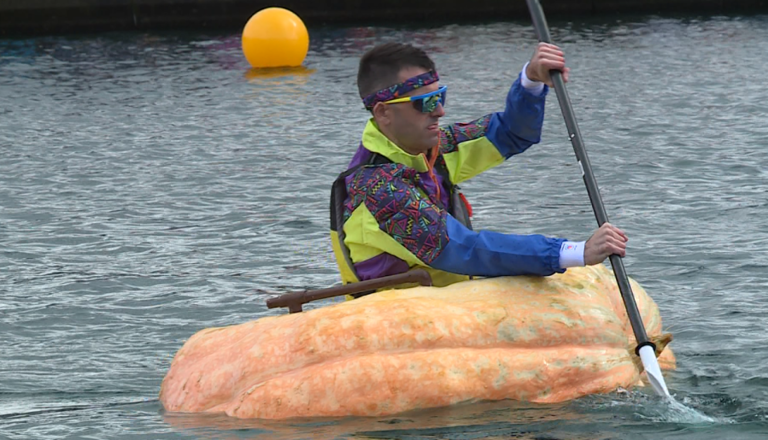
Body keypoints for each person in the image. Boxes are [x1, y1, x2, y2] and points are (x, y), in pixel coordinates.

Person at [329, 42, 628, 288]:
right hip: (397, 324)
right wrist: (575, 251)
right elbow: (462, 248)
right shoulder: (376, 189)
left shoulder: (433, 150)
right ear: (383, 113)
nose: (440, 111)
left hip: (449, 307)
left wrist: (531, 81)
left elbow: (511, 133)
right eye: (426, 102)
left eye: (440, 96)